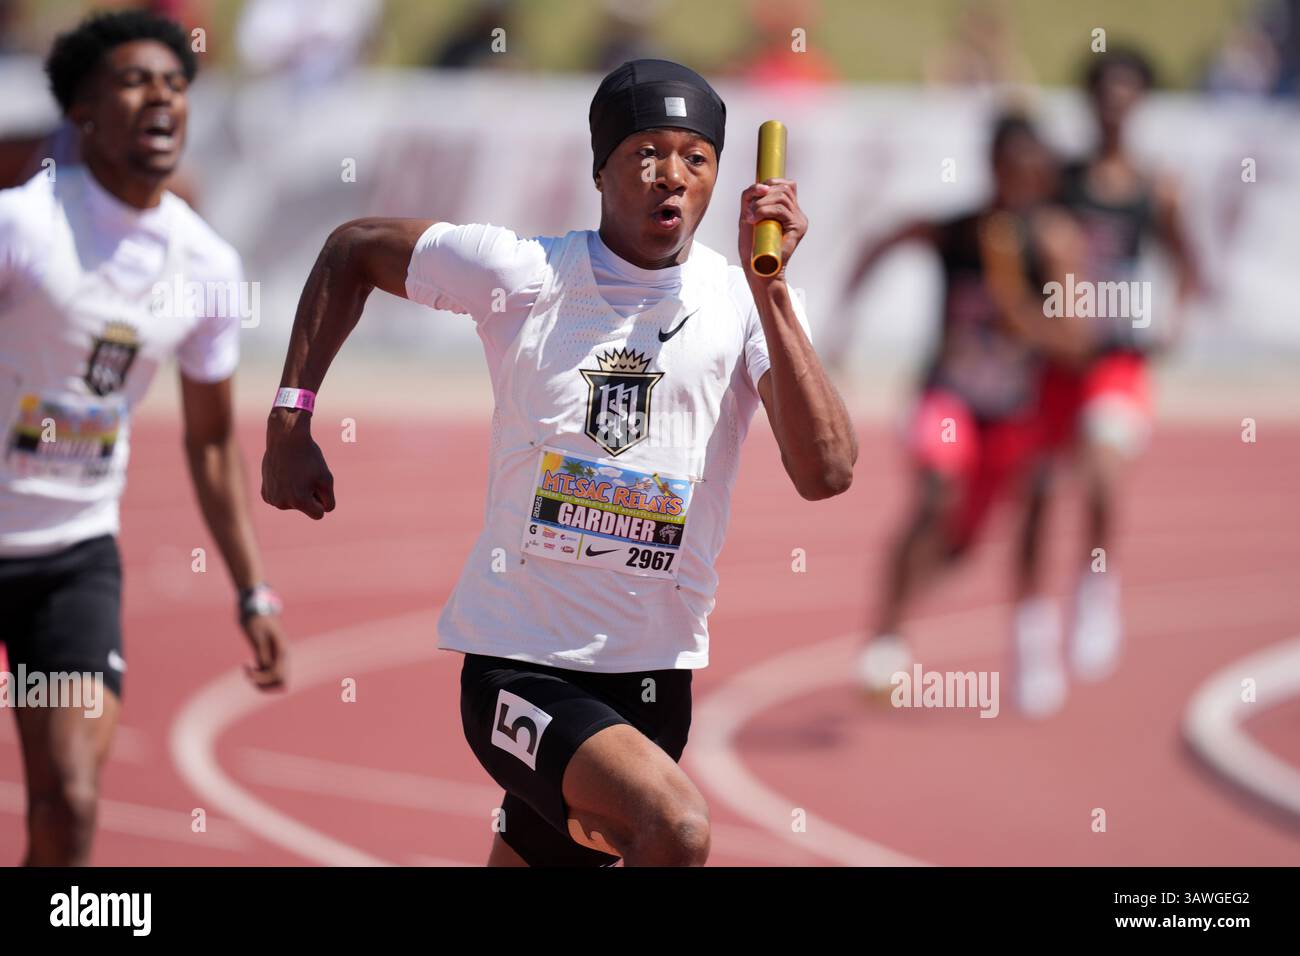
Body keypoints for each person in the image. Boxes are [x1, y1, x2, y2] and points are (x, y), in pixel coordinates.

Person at [261, 59, 856, 865]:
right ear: (601, 167)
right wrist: (290, 422)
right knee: (674, 829)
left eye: (695, 157)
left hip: (655, 681)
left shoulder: (744, 304)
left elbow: (825, 472)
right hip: (520, 667)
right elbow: (354, 249)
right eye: (646, 152)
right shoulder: (528, 274)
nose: (670, 177)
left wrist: (775, 291)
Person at [0, 10, 287, 866]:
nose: (161, 94)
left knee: (73, 799)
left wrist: (252, 591)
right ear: (84, 111)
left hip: (70, 561)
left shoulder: (206, 267)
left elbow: (208, 443)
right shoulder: (23, 227)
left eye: (175, 82)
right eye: (134, 80)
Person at [832, 114, 1087, 716]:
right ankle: (887, 636)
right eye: (1006, 165)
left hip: (1010, 410)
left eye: (1030, 169)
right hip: (946, 397)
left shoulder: (1052, 241)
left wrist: (1023, 317)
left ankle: (1029, 631)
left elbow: (1077, 341)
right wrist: (845, 321)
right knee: (935, 495)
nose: (1017, 180)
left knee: (968, 540)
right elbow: (885, 240)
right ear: (992, 164)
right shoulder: (959, 230)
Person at [1016, 48, 1198, 691]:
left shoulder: (1156, 188)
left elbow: (1188, 263)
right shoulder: (1059, 179)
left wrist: (1174, 318)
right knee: (1037, 499)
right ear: (1091, 101)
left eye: (1127, 96)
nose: (1114, 107)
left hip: (1117, 360)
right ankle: (1032, 633)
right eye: (1104, 94)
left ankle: (1097, 589)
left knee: (1101, 468)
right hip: (1055, 362)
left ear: (1140, 103)